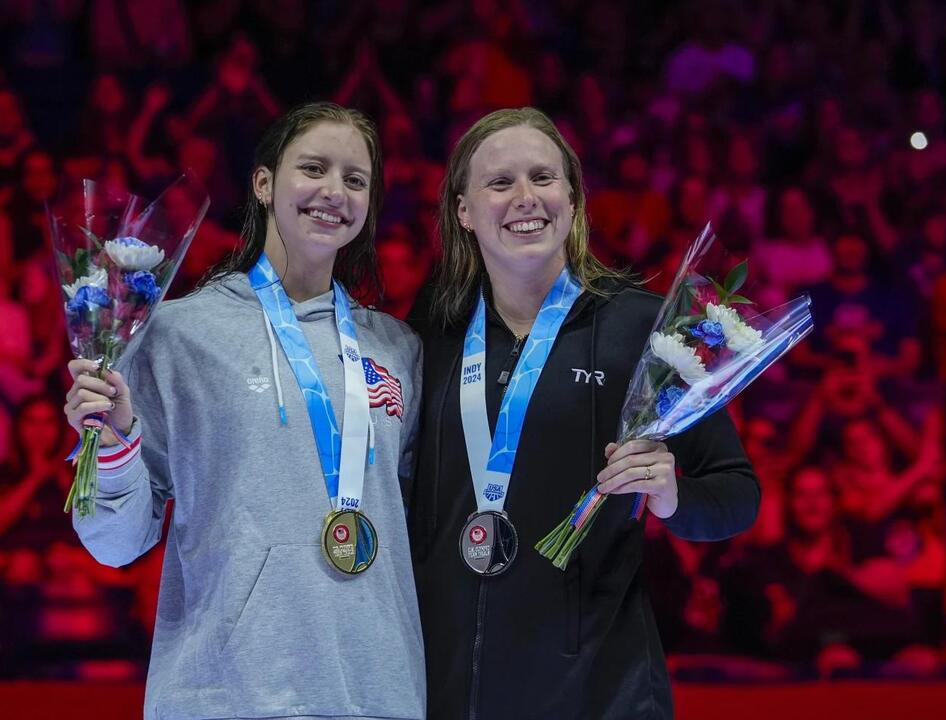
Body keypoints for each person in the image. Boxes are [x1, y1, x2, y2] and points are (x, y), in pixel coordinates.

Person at [62, 102, 425, 719]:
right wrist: (115, 440)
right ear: (263, 184)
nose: (333, 191)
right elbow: (114, 545)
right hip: (227, 694)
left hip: (374, 693)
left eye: (355, 179)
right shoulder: (179, 334)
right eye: (313, 168)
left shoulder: (399, 349)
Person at [409, 107, 759, 719]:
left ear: (572, 201)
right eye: (500, 182)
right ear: (463, 210)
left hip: (601, 692)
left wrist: (671, 496)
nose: (526, 198)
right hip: (451, 692)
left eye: (544, 178)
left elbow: (737, 495)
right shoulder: (430, 337)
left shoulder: (643, 329)